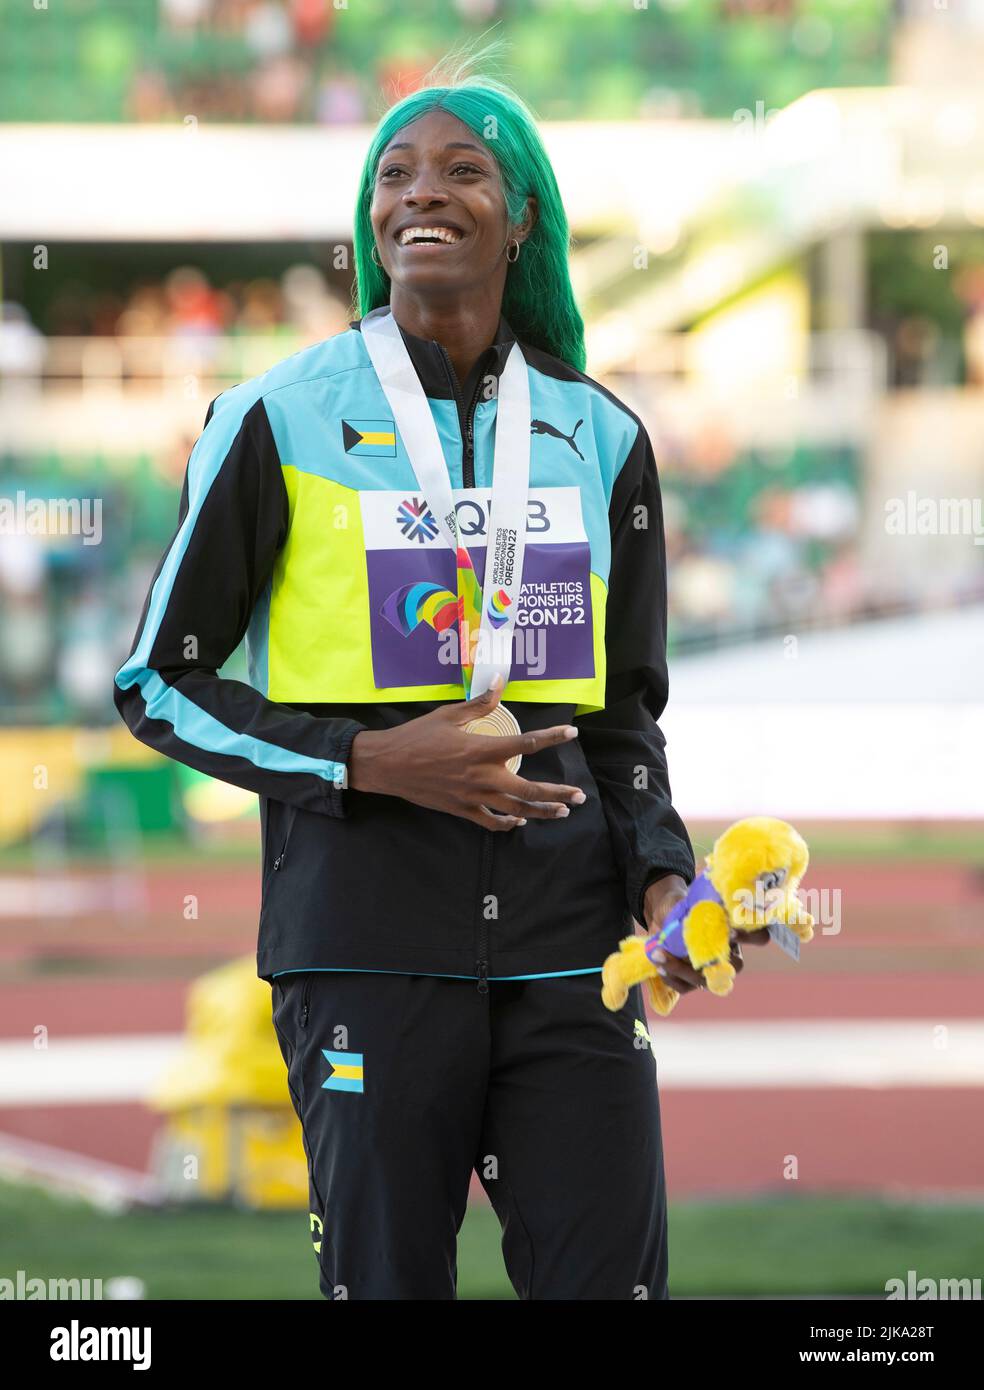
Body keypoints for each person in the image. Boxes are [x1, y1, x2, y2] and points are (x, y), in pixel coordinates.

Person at [114, 65, 760, 1301]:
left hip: (572, 958)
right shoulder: (274, 416)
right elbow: (159, 680)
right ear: (371, 220)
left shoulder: (603, 435)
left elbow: (623, 719)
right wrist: (366, 762)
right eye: (395, 174)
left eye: (464, 170)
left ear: (522, 219)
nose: (424, 192)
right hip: (363, 950)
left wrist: (668, 878)